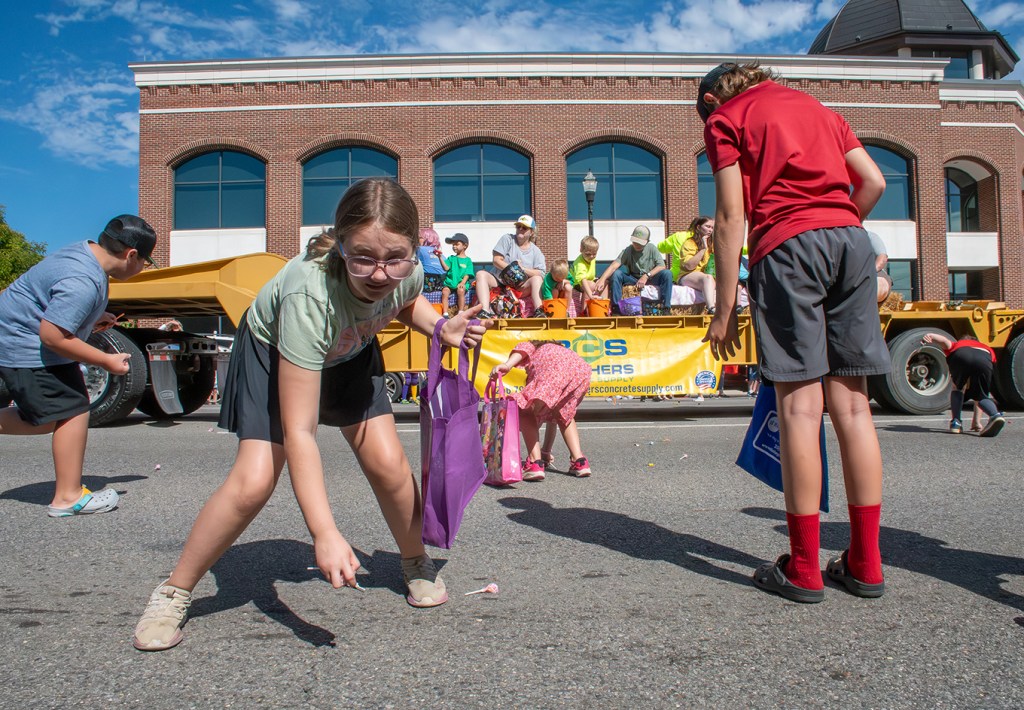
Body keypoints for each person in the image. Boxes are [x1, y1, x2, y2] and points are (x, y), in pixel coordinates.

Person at [132, 179, 491, 652]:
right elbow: (300, 432)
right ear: (341, 246)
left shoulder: (408, 270)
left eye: (395, 258)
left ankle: (414, 560)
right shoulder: (310, 295)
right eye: (363, 257)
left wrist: (439, 325)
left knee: (389, 466)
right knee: (254, 481)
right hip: (276, 350)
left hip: (349, 351)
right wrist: (324, 532)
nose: (380, 274)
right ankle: (174, 592)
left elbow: (403, 301)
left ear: (413, 247)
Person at [700, 62, 890, 603]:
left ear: (713, 97)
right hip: (853, 243)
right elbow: (872, 180)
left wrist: (725, 305)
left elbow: (731, 214)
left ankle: (804, 567)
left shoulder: (726, 118)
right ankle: (865, 563)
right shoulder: (818, 109)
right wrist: (838, 223)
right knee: (854, 408)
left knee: (801, 409)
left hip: (788, 247)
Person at [0, 214, 157, 518]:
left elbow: (51, 303)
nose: (141, 269)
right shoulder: (83, 279)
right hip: (25, 345)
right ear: (132, 255)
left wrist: (91, 318)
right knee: (73, 411)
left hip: (20, 337)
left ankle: (68, 493)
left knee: (49, 418)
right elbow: (53, 335)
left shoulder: (82, 254)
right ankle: (68, 497)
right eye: (145, 263)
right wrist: (106, 360)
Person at [490, 340, 592, 480]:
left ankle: (534, 463)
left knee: (525, 410)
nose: (526, 370)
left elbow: (524, 348)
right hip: (581, 371)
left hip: (553, 371)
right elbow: (553, 422)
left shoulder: (536, 347)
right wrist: (546, 452)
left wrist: (507, 365)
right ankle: (579, 461)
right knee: (563, 414)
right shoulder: (561, 352)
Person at [921, 333, 1006, 437]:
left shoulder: (958, 344)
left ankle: (956, 423)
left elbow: (944, 340)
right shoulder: (986, 348)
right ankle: (994, 415)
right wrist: (976, 423)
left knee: (957, 388)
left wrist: (931, 336)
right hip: (985, 358)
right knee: (980, 394)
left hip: (961, 355)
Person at [474, 215, 546, 318]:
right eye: (518, 226)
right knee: (480, 274)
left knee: (537, 279)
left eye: (524, 227)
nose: (520, 229)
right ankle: (485, 311)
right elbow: (496, 260)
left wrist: (522, 269)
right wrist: (513, 267)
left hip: (519, 286)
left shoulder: (536, 251)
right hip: (498, 281)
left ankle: (539, 311)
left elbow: (541, 273)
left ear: (532, 232)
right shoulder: (507, 239)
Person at [595, 225, 673, 314]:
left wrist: (647, 276)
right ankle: (616, 308)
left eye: (640, 243)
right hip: (633, 278)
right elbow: (613, 266)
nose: (637, 245)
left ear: (647, 242)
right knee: (617, 274)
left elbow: (661, 266)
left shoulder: (652, 248)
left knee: (667, 273)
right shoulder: (628, 250)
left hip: (651, 277)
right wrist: (602, 279)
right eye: (635, 242)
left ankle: (666, 307)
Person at [657, 217, 717, 313]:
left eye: (712, 227)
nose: (710, 230)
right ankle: (711, 308)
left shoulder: (713, 244)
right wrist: (703, 249)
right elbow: (689, 266)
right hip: (687, 276)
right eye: (707, 226)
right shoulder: (689, 243)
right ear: (698, 227)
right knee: (708, 278)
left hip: (704, 275)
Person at [439, 232, 474, 313]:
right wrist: (439, 257)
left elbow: (467, 274)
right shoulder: (451, 258)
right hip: (450, 283)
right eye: (453, 245)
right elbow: (446, 267)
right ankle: (445, 313)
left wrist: (462, 283)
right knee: (445, 292)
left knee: (461, 291)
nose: (454, 246)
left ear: (465, 246)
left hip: (461, 283)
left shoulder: (468, 260)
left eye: (457, 244)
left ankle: (461, 311)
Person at [416, 227, 446, 293]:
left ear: (428, 239)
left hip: (427, 281)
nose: (417, 240)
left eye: (420, 238)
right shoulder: (440, 253)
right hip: (442, 282)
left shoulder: (419, 249)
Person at [867, 231, 893, 303]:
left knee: (878, 286)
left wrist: (868, 273)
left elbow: (882, 258)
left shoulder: (869, 236)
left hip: (875, 274)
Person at [571, 236, 600, 301]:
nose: (591, 256)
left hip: (589, 280)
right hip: (576, 283)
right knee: (591, 285)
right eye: (588, 254)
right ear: (581, 250)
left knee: (604, 283)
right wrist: (591, 296)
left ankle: (603, 307)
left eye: (594, 254)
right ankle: (584, 310)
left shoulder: (591, 258)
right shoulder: (579, 264)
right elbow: (583, 280)